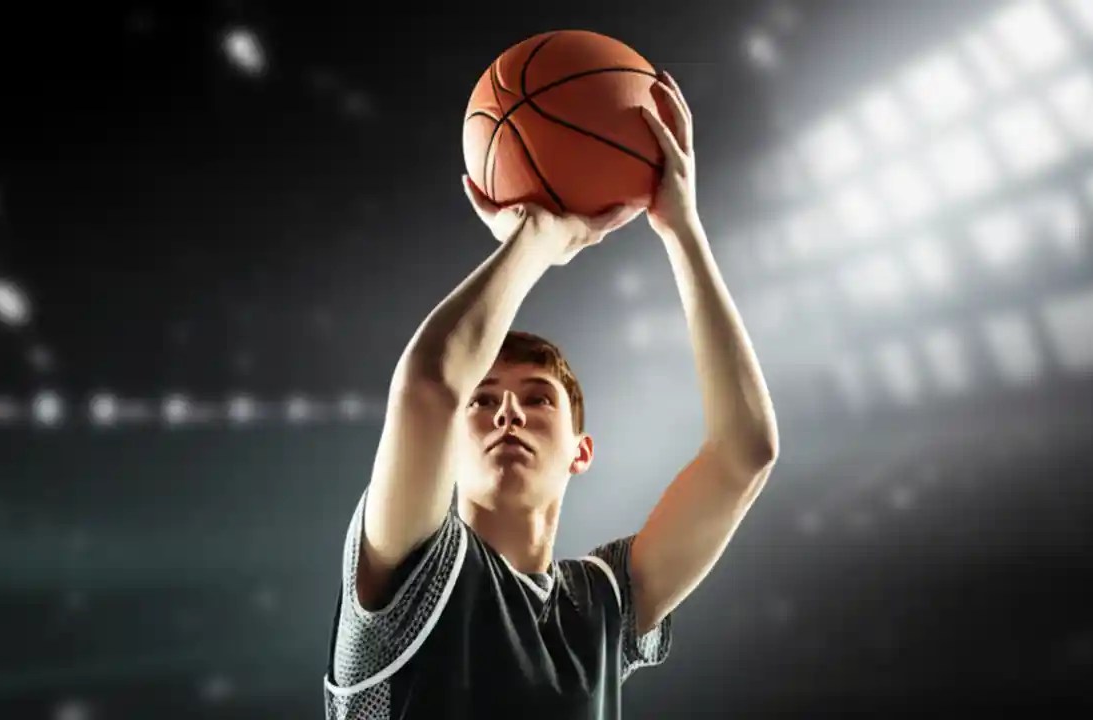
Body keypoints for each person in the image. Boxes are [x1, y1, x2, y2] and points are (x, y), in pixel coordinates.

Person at [323, 71, 779, 719]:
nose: (508, 409)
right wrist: (537, 238)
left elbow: (746, 453)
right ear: (445, 449)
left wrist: (681, 229)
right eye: (481, 401)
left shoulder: (602, 602)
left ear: (580, 450)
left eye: (539, 399)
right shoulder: (414, 572)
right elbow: (428, 387)